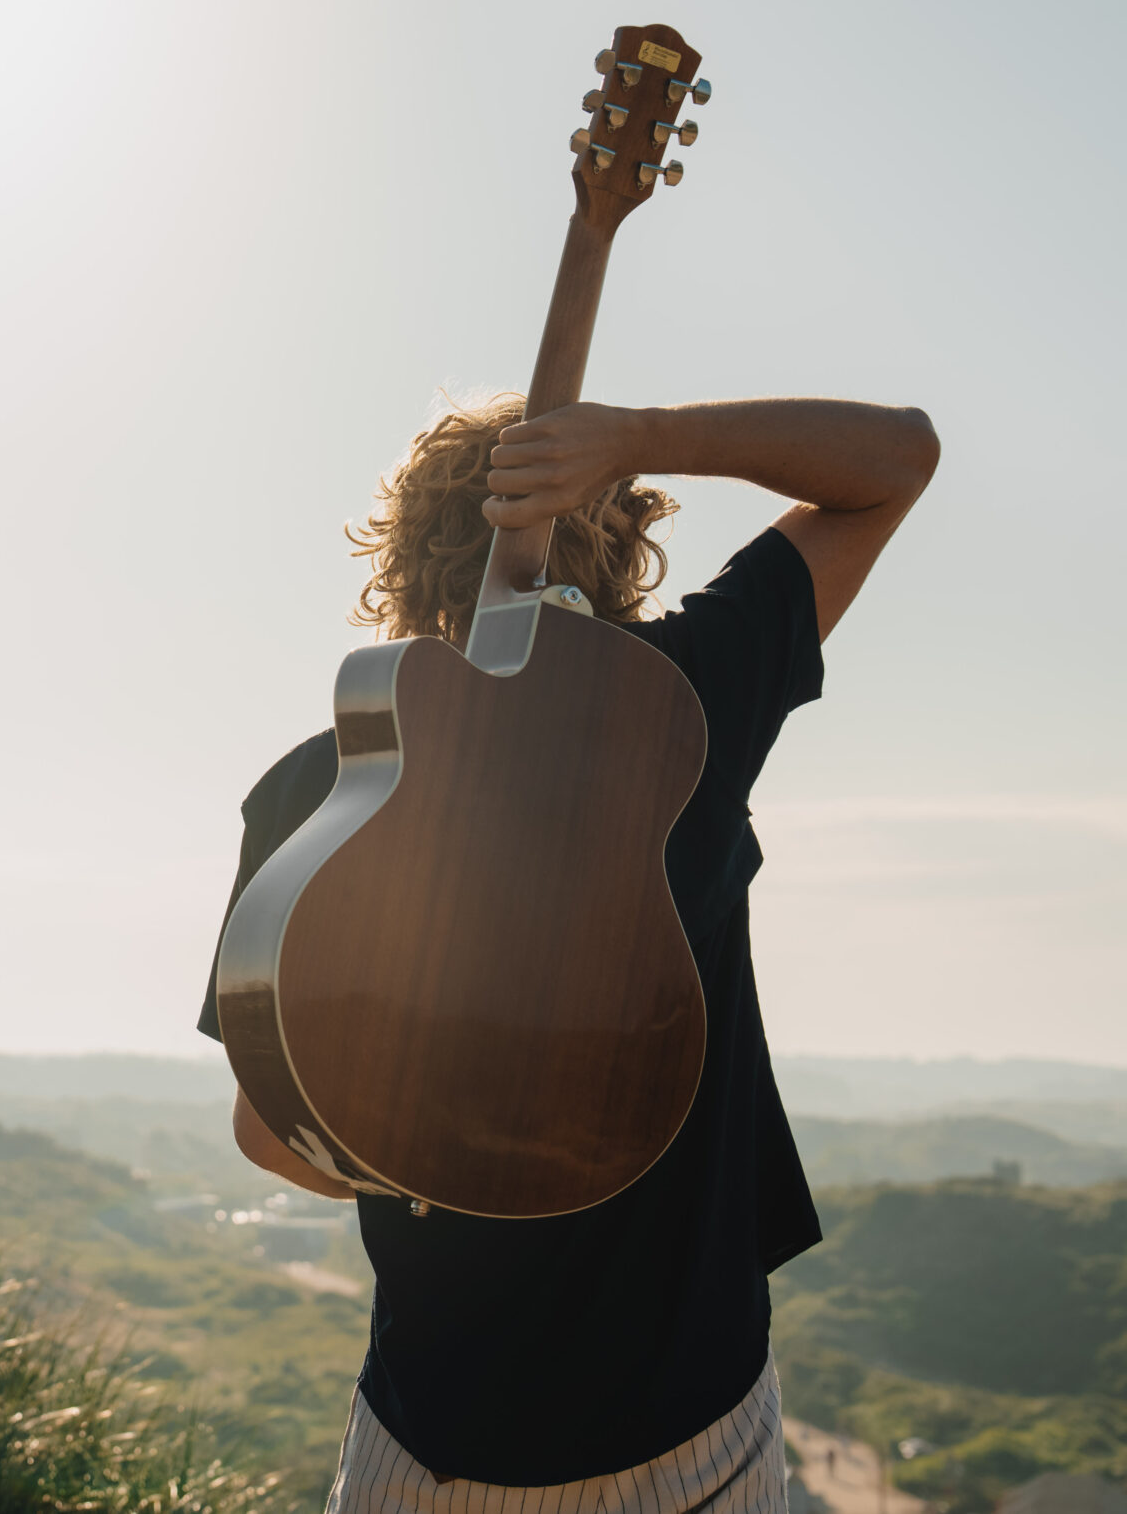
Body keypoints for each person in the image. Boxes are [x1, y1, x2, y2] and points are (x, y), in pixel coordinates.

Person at [197, 394, 939, 1512]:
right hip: (689, 1434)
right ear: (615, 541)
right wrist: (637, 436)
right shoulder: (685, 699)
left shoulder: (321, 779)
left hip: (432, 1437)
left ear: (405, 557)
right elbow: (898, 457)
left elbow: (272, 1135)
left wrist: (445, 1152)